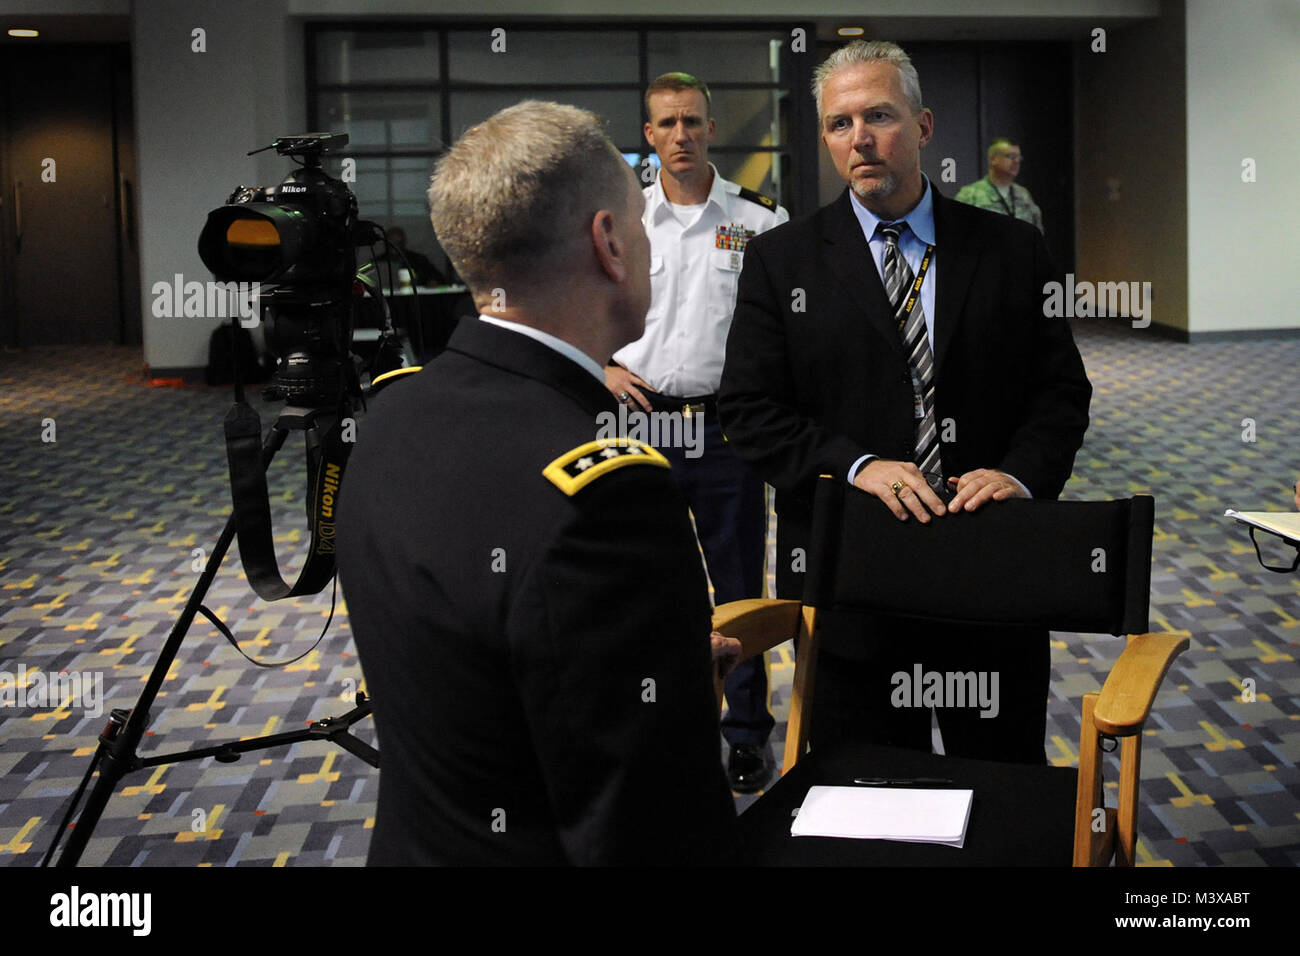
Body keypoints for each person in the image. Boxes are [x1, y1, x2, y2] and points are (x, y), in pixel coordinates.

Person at [338, 100, 741, 865]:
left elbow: (486, 661)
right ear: (609, 242)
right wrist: (669, 706)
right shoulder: (607, 493)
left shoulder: (390, 415)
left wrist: (660, 675)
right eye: (641, 225)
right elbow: (648, 822)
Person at [719, 41, 1091, 765]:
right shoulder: (781, 261)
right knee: (871, 799)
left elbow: (1060, 392)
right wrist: (857, 465)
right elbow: (751, 411)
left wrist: (1017, 474)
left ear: (923, 127)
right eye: (839, 123)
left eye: (879, 116)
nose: (859, 138)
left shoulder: (1013, 251)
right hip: (854, 580)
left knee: (1000, 785)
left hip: (990, 570)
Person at [605, 72, 788, 792]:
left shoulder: (760, 221)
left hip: (724, 433)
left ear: (711, 129)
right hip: (637, 424)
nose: (680, 134)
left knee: (738, 589)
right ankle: (656, 730)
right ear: (647, 136)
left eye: (692, 122)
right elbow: (583, 308)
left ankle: (744, 735)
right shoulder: (621, 221)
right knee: (638, 588)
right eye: (666, 124)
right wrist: (603, 369)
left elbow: (784, 330)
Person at [954, 138, 1044, 232]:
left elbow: (1037, 234)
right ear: (993, 159)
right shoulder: (971, 195)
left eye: (1018, 157)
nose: (1016, 161)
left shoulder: (1024, 195)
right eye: (1011, 157)